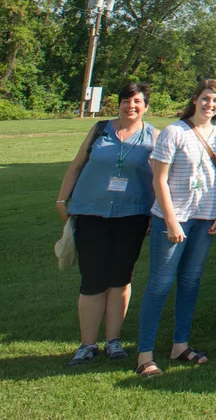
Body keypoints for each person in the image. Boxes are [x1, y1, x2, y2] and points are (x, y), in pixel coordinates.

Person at [134, 79, 216, 378]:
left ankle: (180, 346)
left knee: (191, 282)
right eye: (206, 99)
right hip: (175, 218)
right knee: (160, 284)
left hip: (206, 218)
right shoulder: (174, 132)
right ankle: (145, 355)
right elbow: (159, 179)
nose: (210, 105)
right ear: (195, 100)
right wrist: (170, 220)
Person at [55, 83, 158, 366]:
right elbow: (76, 166)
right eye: (126, 101)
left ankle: (113, 340)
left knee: (120, 278)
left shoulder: (153, 136)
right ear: (119, 104)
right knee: (92, 279)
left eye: (137, 101)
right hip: (91, 213)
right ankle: (87, 344)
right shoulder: (100, 130)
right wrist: (62, 201)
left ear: (146, 106)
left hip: (133, 216)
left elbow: (159, 177)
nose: (131, 106)